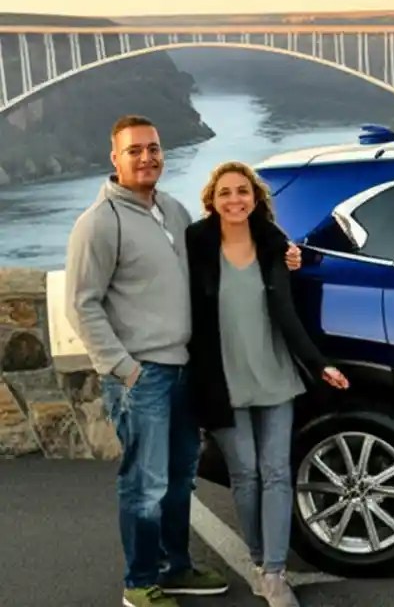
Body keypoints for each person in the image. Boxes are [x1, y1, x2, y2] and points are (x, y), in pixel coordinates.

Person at [65, 115, 302, 607]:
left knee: (177, 480)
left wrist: (288, 251)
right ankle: (140, 581)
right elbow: (82, 303)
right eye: (134, 151)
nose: (147, 157)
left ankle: (177, 568)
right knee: (144, 484)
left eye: (153, 148)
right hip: (141, 376)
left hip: (183, 371)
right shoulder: (98, 224)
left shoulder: (171, 212)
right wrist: (124, 368)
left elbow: (237, 233)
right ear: (115, 158)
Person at [185, 160, 350, 607]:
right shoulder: (196, 243)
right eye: (225, 193)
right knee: (245, 475)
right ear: (212, 202)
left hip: (275, 373)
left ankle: (274, 573)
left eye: (242, 191)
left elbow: (290, 314)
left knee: (277, 474)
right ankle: (259, 560)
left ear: (255, 198)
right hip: (223, 379)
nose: (234, 199)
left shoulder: (275, 244)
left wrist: (317, 365)